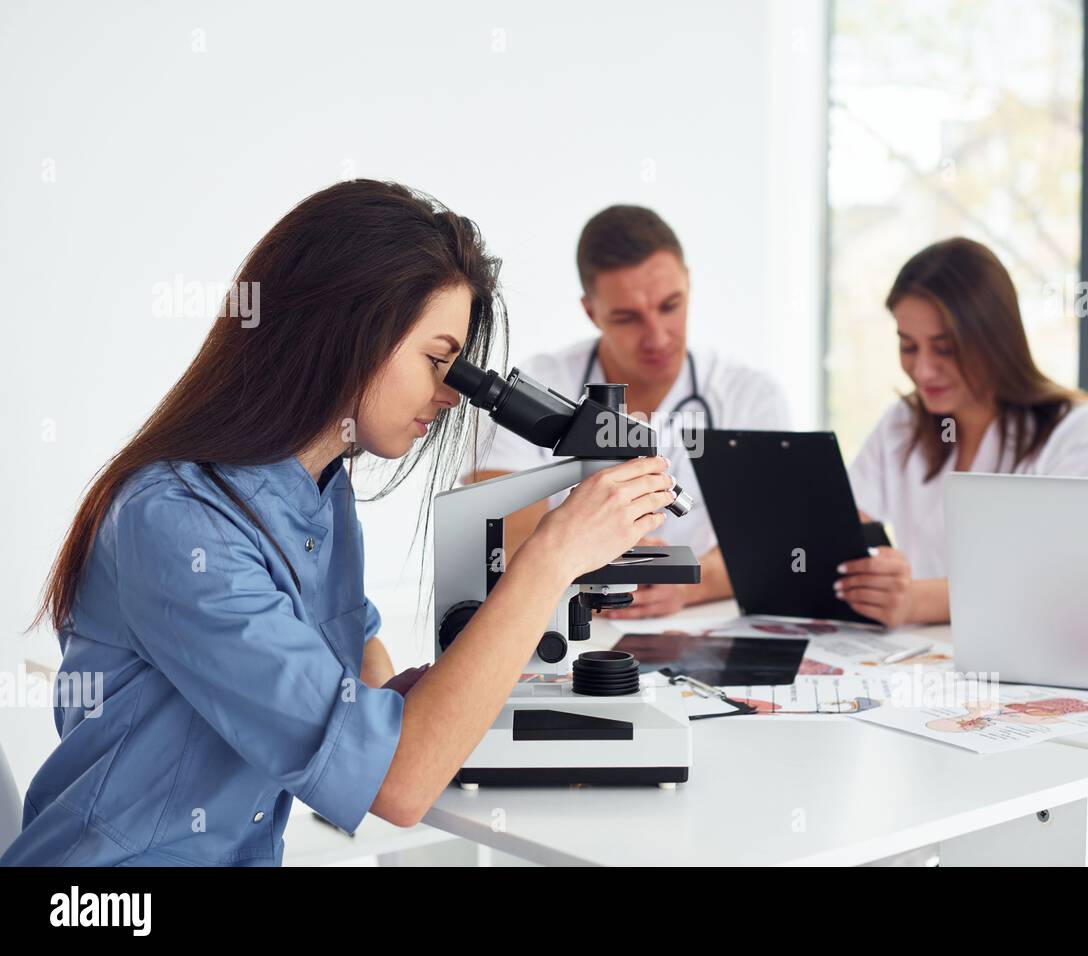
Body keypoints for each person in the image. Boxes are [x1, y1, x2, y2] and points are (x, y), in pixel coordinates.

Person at [2, 180, 676, 866]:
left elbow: (357, 655)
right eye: (436, 360)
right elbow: (400, 786)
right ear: (344, 330)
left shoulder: (321, 494)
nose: (448, 394)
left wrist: (416, 699)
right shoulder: (176, 523)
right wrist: (551, 555)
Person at [463, 204, 791, 619]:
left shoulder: (752, 396)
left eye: (670, 306)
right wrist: (591, 549)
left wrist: (688, 586)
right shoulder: (524, 394)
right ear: (591, 312)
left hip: (697, 622)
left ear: (688, 284)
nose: (656, 337)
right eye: (627, 318)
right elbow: (501, 537)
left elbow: (776, 542)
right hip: (563, 621)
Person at [835, 237, 1088, 627]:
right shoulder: (904, 421)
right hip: (913, 658)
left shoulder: (1080, 431)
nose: (922, 371)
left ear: (993, 338)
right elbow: (843, 527)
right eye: (908, 346)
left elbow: (1062, 586)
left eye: (944, 349)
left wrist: (913, 600)